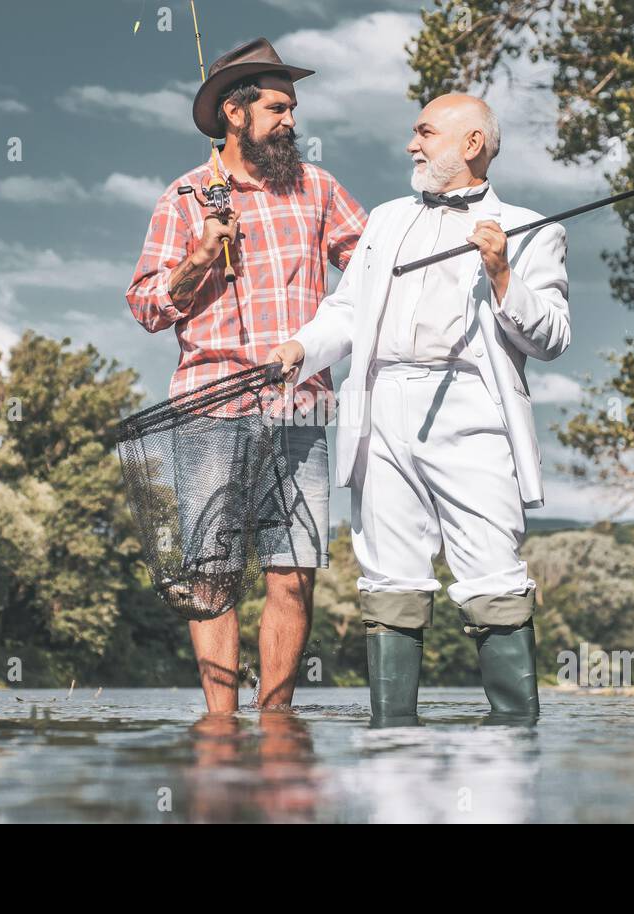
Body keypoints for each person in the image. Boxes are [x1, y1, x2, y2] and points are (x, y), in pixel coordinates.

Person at [266, 93, 570, 725]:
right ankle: (391, 745)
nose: (412, 145)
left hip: (472, 407)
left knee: (491, 567)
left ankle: (514, 744)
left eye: (425, 133)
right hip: (380, 406)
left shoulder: (533, 229)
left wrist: (503, 274)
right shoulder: (383, 220)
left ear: (471, 145)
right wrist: (303, 345)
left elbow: (551, 339)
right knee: (388, 574)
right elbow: (346, 311)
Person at [126, 38, 367, 712]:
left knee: (293, 576)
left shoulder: (318, 188)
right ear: (236, 113)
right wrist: (202, 255)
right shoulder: (182, 198)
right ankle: (220, 730)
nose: (292, 120)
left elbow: (379, 263)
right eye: (278, 107)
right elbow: (146, 305)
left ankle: (279, 727)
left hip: (303, 410)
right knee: (213, 578)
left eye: (293, 108)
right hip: (208, 409)